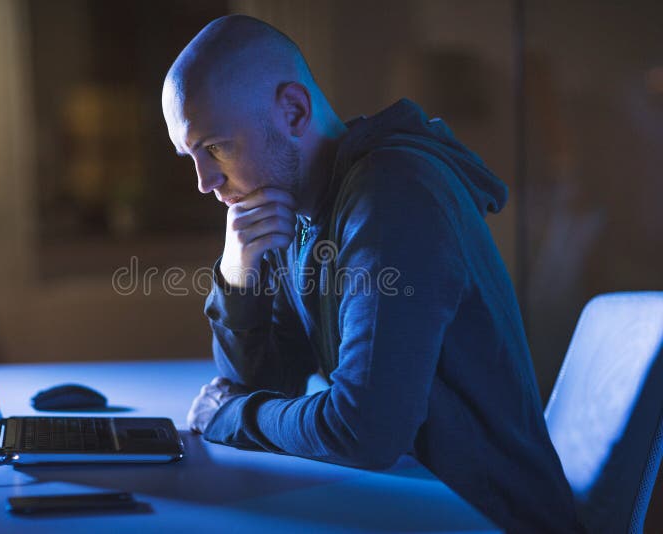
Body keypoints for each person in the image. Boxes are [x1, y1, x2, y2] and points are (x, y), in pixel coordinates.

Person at [162, 14, 581, 533]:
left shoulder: (392, 197)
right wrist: (238, 276)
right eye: (189, 155)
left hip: (491, 521)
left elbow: (365, 430)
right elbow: (263, 386)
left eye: (214, 146)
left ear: (293, 111)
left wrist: (229, 416)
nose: (204, 182)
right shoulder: (302, 211)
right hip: (419, 508)